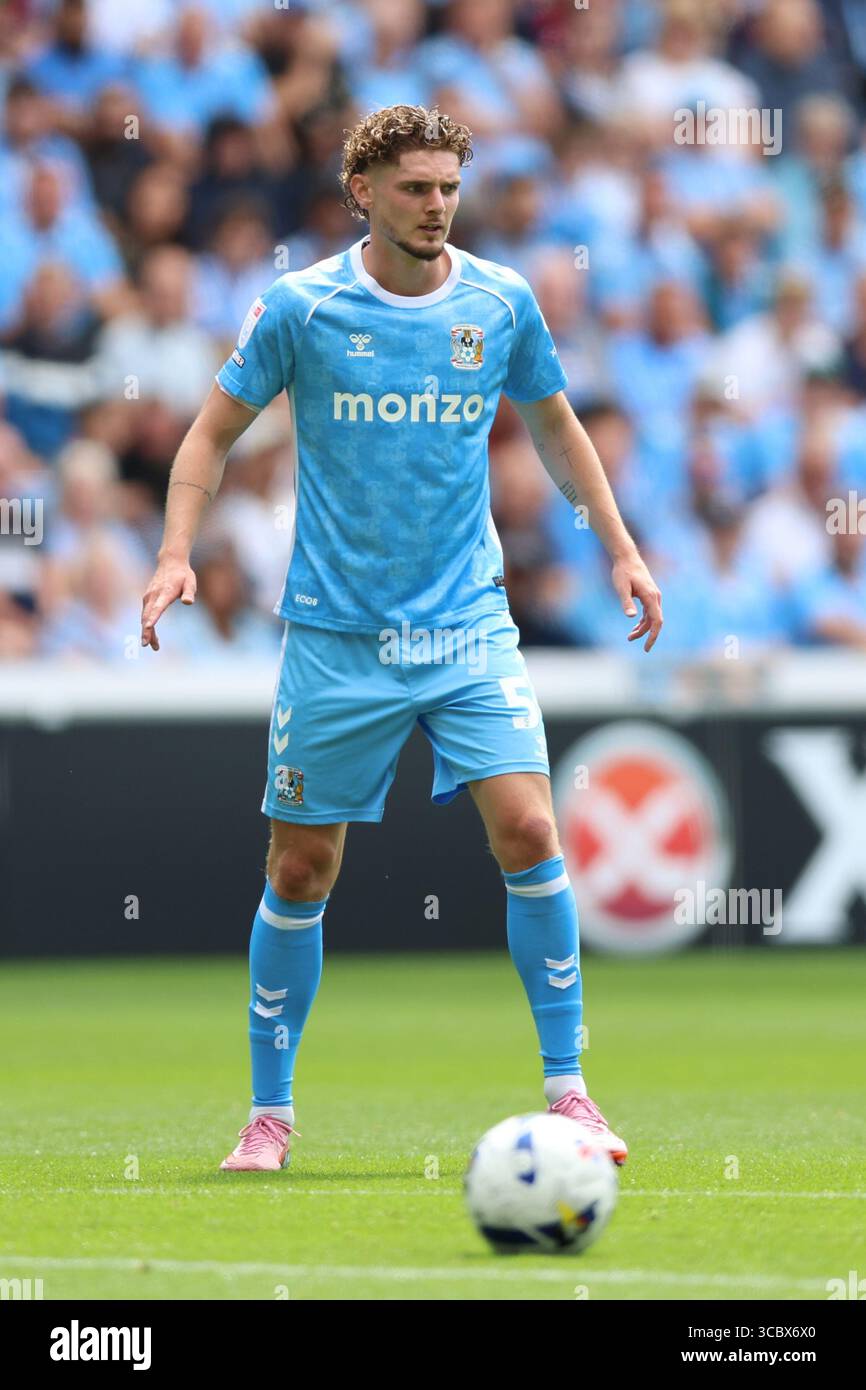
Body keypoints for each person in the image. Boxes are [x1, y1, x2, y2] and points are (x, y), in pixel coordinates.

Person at [139, 104, 663, 1174]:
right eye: (414, 188)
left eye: (447, 189)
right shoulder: (301, 308)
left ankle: (568, 1090)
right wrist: (173, 552)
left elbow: (555, 423)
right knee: (300, 867)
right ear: (361, 193)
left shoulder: (500, 301)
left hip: (467, 622)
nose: (435, 207)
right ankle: (270, 1113)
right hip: (336, 637)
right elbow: (209, 431)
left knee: (528, 826)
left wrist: (616, 544)